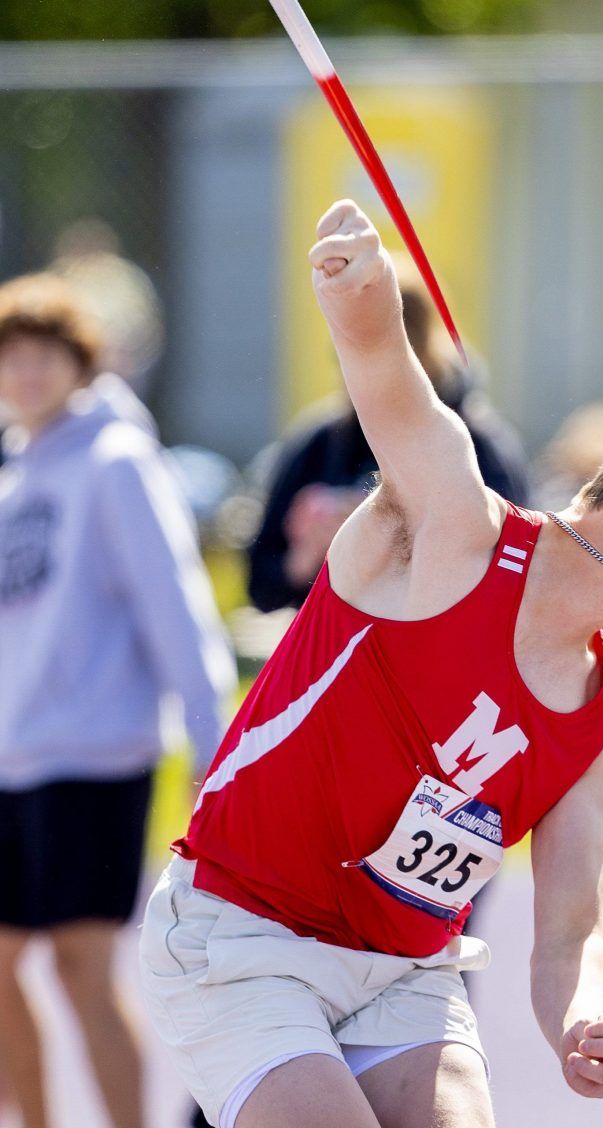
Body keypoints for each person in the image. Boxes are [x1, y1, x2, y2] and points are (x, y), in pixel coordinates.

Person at [137, 199, 603, 1128]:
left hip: (403, 974)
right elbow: (385, 374)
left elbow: (571, 929)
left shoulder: (602, 724)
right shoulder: (455, 529)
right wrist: (359, 286)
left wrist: (581, 1016)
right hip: (243, 933)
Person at [0, 274, 237, 1128]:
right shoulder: (16, 479)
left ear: (78, 365)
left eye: (43, 358)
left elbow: (174, 606)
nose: (25, 375)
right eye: (11, 359)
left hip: (95, 755)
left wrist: (214, 744)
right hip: (14, 757)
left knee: (80, 968)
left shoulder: (116, 463)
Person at [247, 256, 530, 614]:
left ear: (418, 353)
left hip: (442, 656)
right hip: (339, 646)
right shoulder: (318, 445)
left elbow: (517, 579)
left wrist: (402, 534)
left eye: (378, 351)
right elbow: (261, 586)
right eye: (350, 350)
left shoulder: (481, 449)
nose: (361, 370)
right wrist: (307, 557)